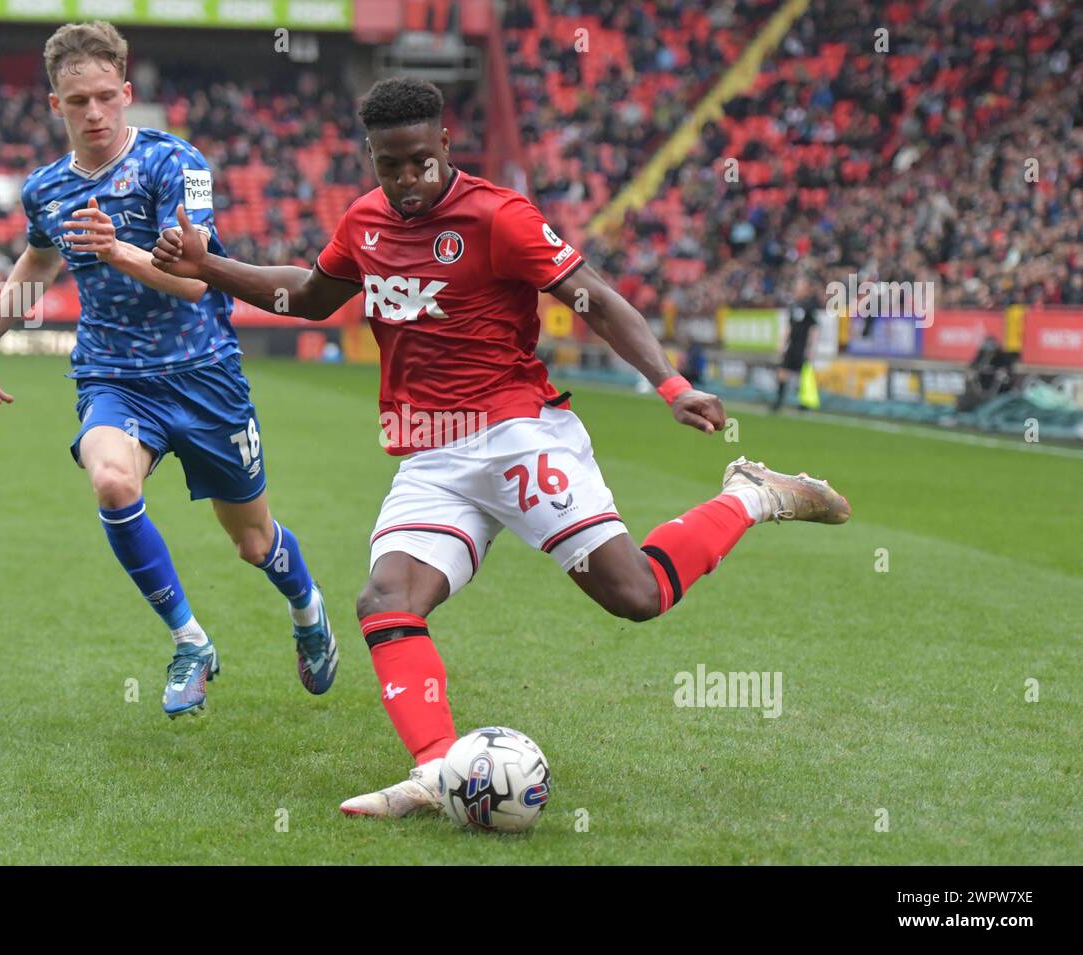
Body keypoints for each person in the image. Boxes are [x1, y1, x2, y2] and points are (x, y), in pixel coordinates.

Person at [151, 76, 851, 815]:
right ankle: (436, 770)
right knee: (386, 600)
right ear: (370, 158)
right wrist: (208, 267)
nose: (409, 179)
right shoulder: (363, 221)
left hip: (517, 433)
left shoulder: (498, 216)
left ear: (446, 143)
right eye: (391, 165)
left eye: (421, 160)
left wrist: (670, 383)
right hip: (431, 452)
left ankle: (753, 494)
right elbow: (312, 296)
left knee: (636, 595)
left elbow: (597, 298)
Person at [0, 20, 337, 719]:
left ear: (128, 92)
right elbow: (42, 257)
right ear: (56, 105)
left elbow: (198, 280)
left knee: (253, 541)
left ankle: (308, 608)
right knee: (110, 480)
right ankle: (190, 640)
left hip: (204, 374)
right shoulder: (45, 188)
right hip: (113, 373)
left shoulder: (177, 164)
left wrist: (119, 252)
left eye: (107, 97)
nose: (96, 114)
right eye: (78, 102)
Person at [772, 277, 820, 412]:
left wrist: (811, 347)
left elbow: (814, 328)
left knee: (802, 375)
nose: (797, 289)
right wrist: (782, 343)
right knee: (782, 371)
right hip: (792, 345)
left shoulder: (810, 306)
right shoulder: (794, 305)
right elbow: (789, 326)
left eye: (800, 287)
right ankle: (778, 401)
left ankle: (804, 403)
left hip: (802, 345)